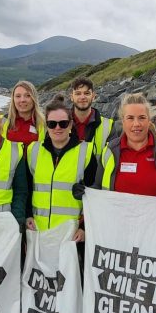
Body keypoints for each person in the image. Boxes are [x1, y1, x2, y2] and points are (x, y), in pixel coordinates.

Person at [25, 97, 96, 242]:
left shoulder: (86, 152)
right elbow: (25, 189)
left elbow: (95, 196)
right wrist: (27, 216)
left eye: (63, 124)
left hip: (70, 235)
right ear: (46, 126)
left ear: (70, 125)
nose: (58, 128)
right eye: (52, 124)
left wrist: (84, 228)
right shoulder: (33, 151)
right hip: (38, 232)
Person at [94, 93, 156, 198]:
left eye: (142, 118)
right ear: (123, 121)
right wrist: (85, 193)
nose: (136, 124)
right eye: (130, 118)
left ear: (149, 121)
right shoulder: (109, 152)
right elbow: (98, 186)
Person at [69, 77, 114, 155]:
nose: (82, 97)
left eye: (87, 93)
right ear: (71, 97)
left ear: (93, 96)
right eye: (78, 93)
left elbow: (113, 157)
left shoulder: (108, 126)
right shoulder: (58, 124)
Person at [2, 80, 46, 149]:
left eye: (28, 95)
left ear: (34, 98)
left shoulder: (45, 123)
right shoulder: (2, 121)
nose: (22, 100)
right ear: (13, 99)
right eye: (18, 96)